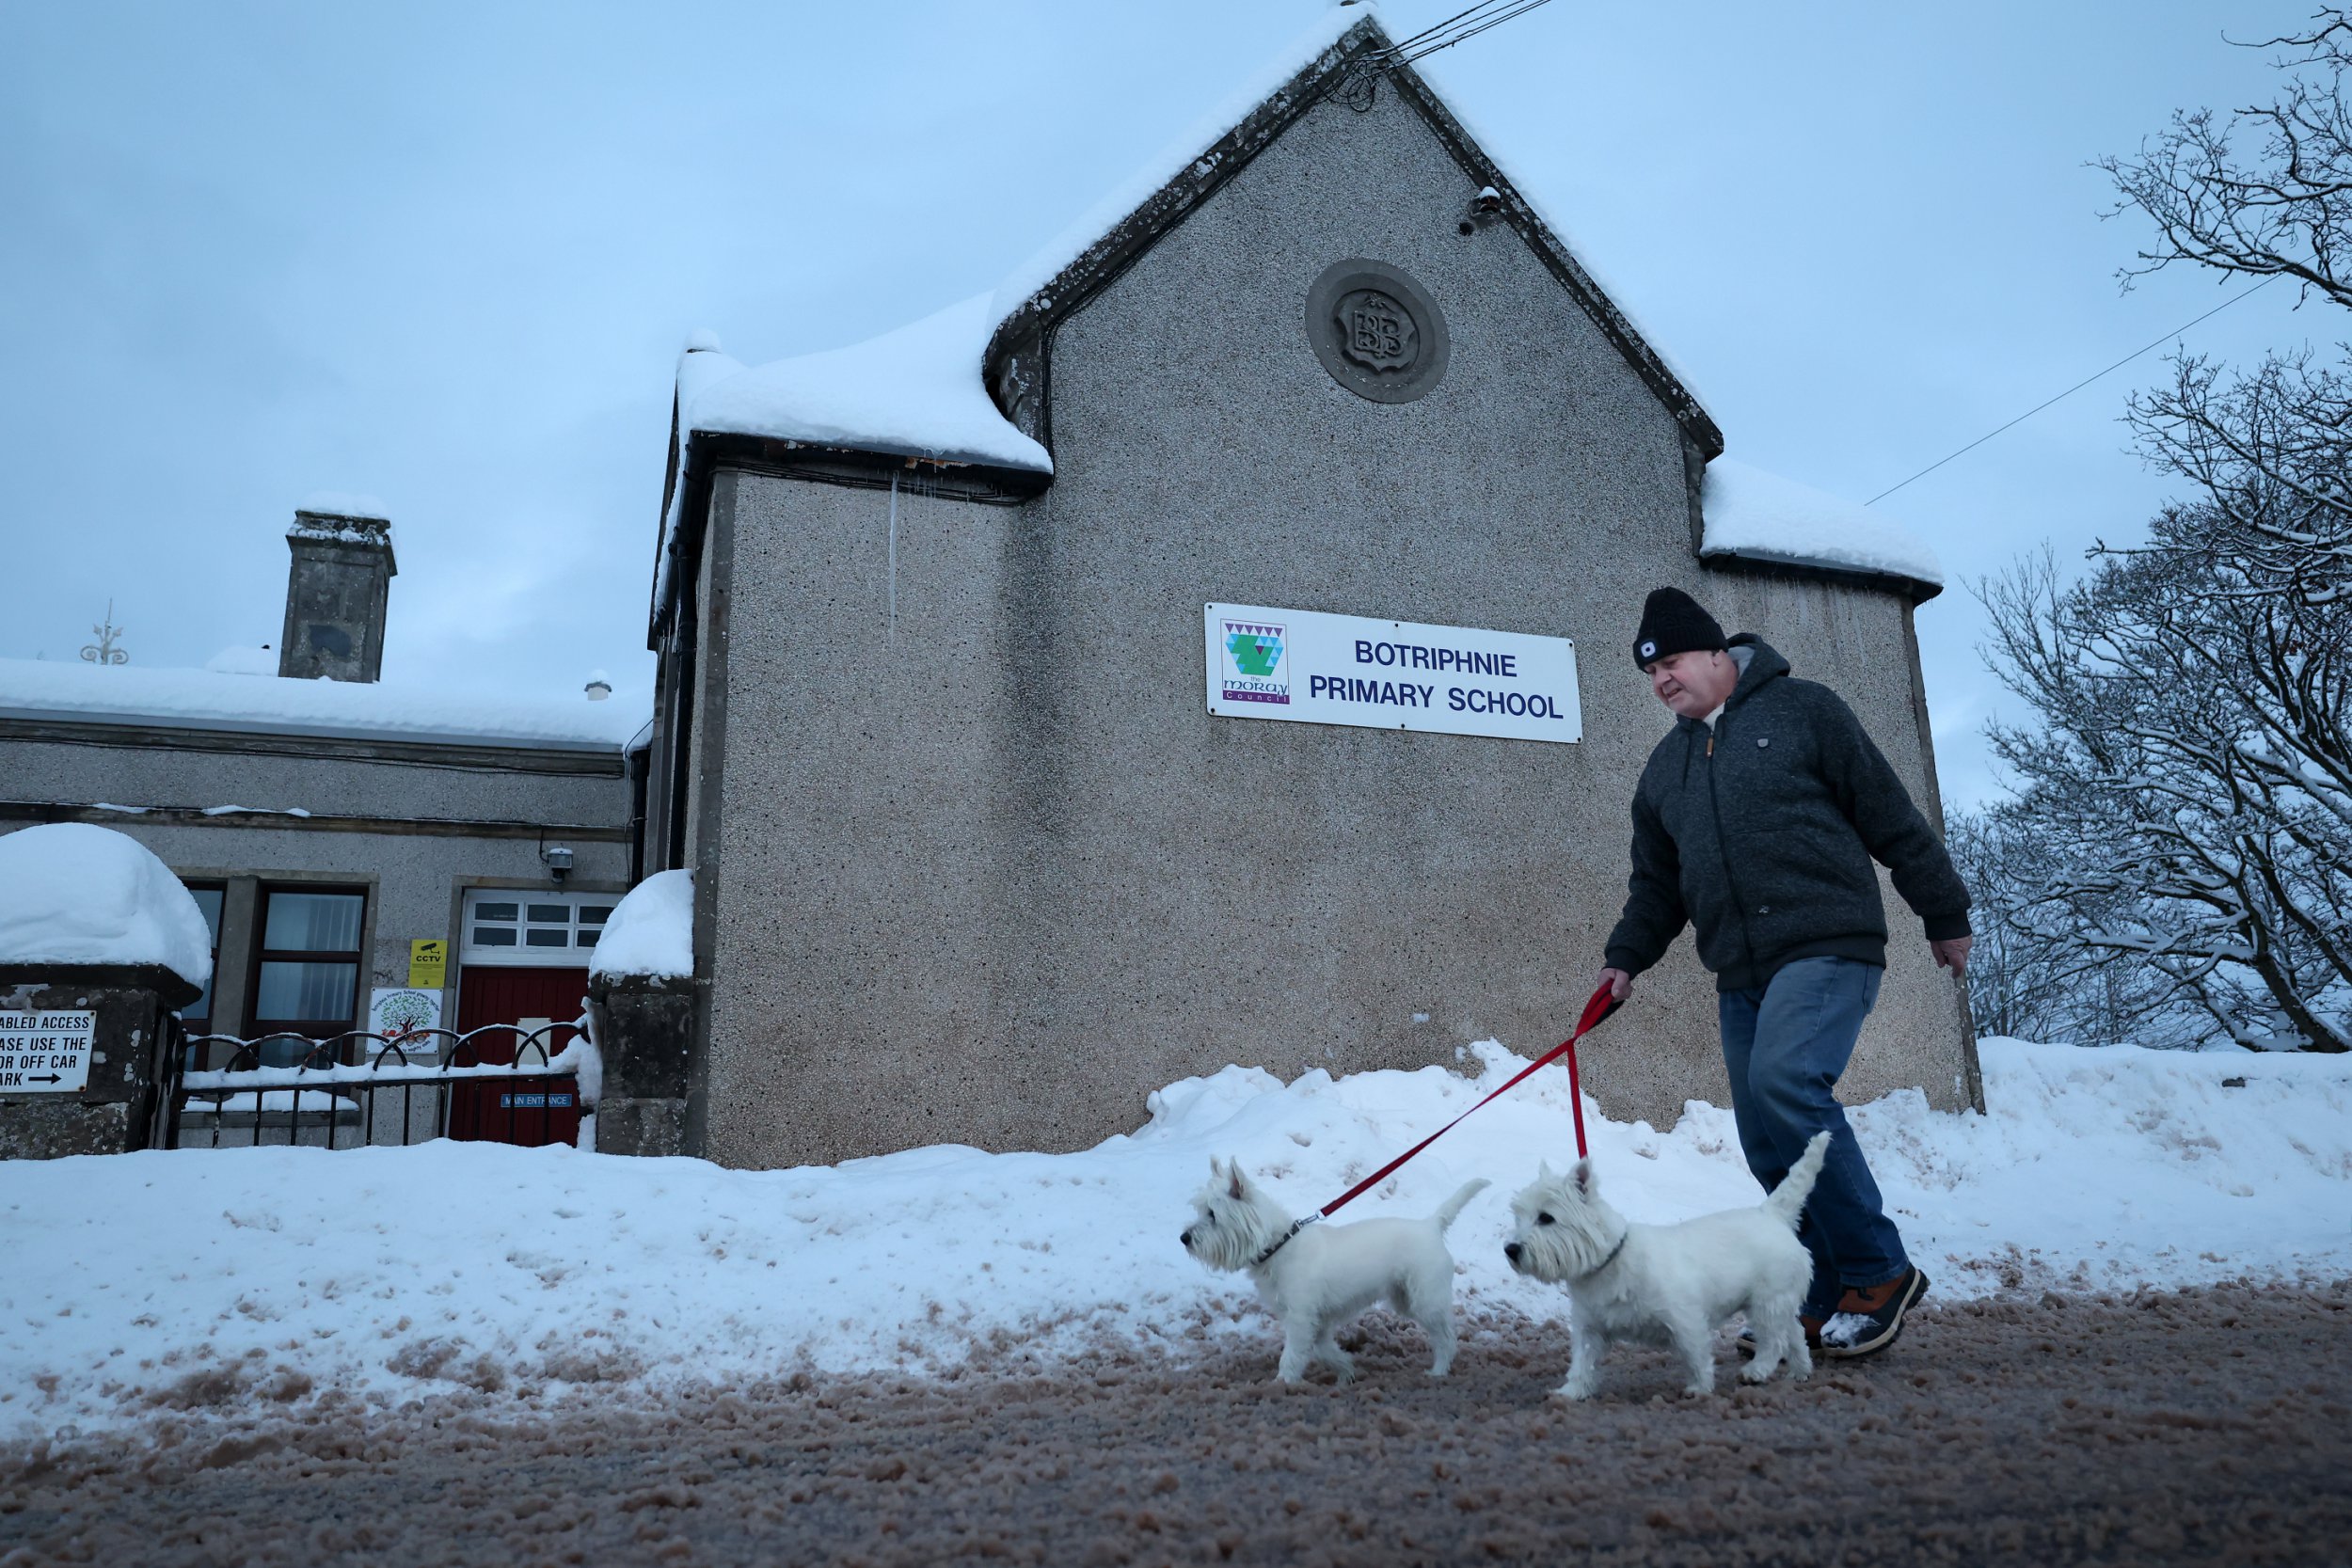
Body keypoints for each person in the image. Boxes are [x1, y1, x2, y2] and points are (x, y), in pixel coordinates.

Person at [1597, 586, 1972, 1358]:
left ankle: (1880, 1272)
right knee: (1765, 1133)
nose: (1662, 680)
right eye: (1651, 672)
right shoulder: (1665, 770)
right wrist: (1625, 959)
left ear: (1713, 652)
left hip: (1828, 944)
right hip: (1741, 969)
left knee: (1787, 1085)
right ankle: (1819, 1285)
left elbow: (1888, 812)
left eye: (1670, 662)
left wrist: (1943, 912)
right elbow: (1657, 888)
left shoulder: (1804, 710)